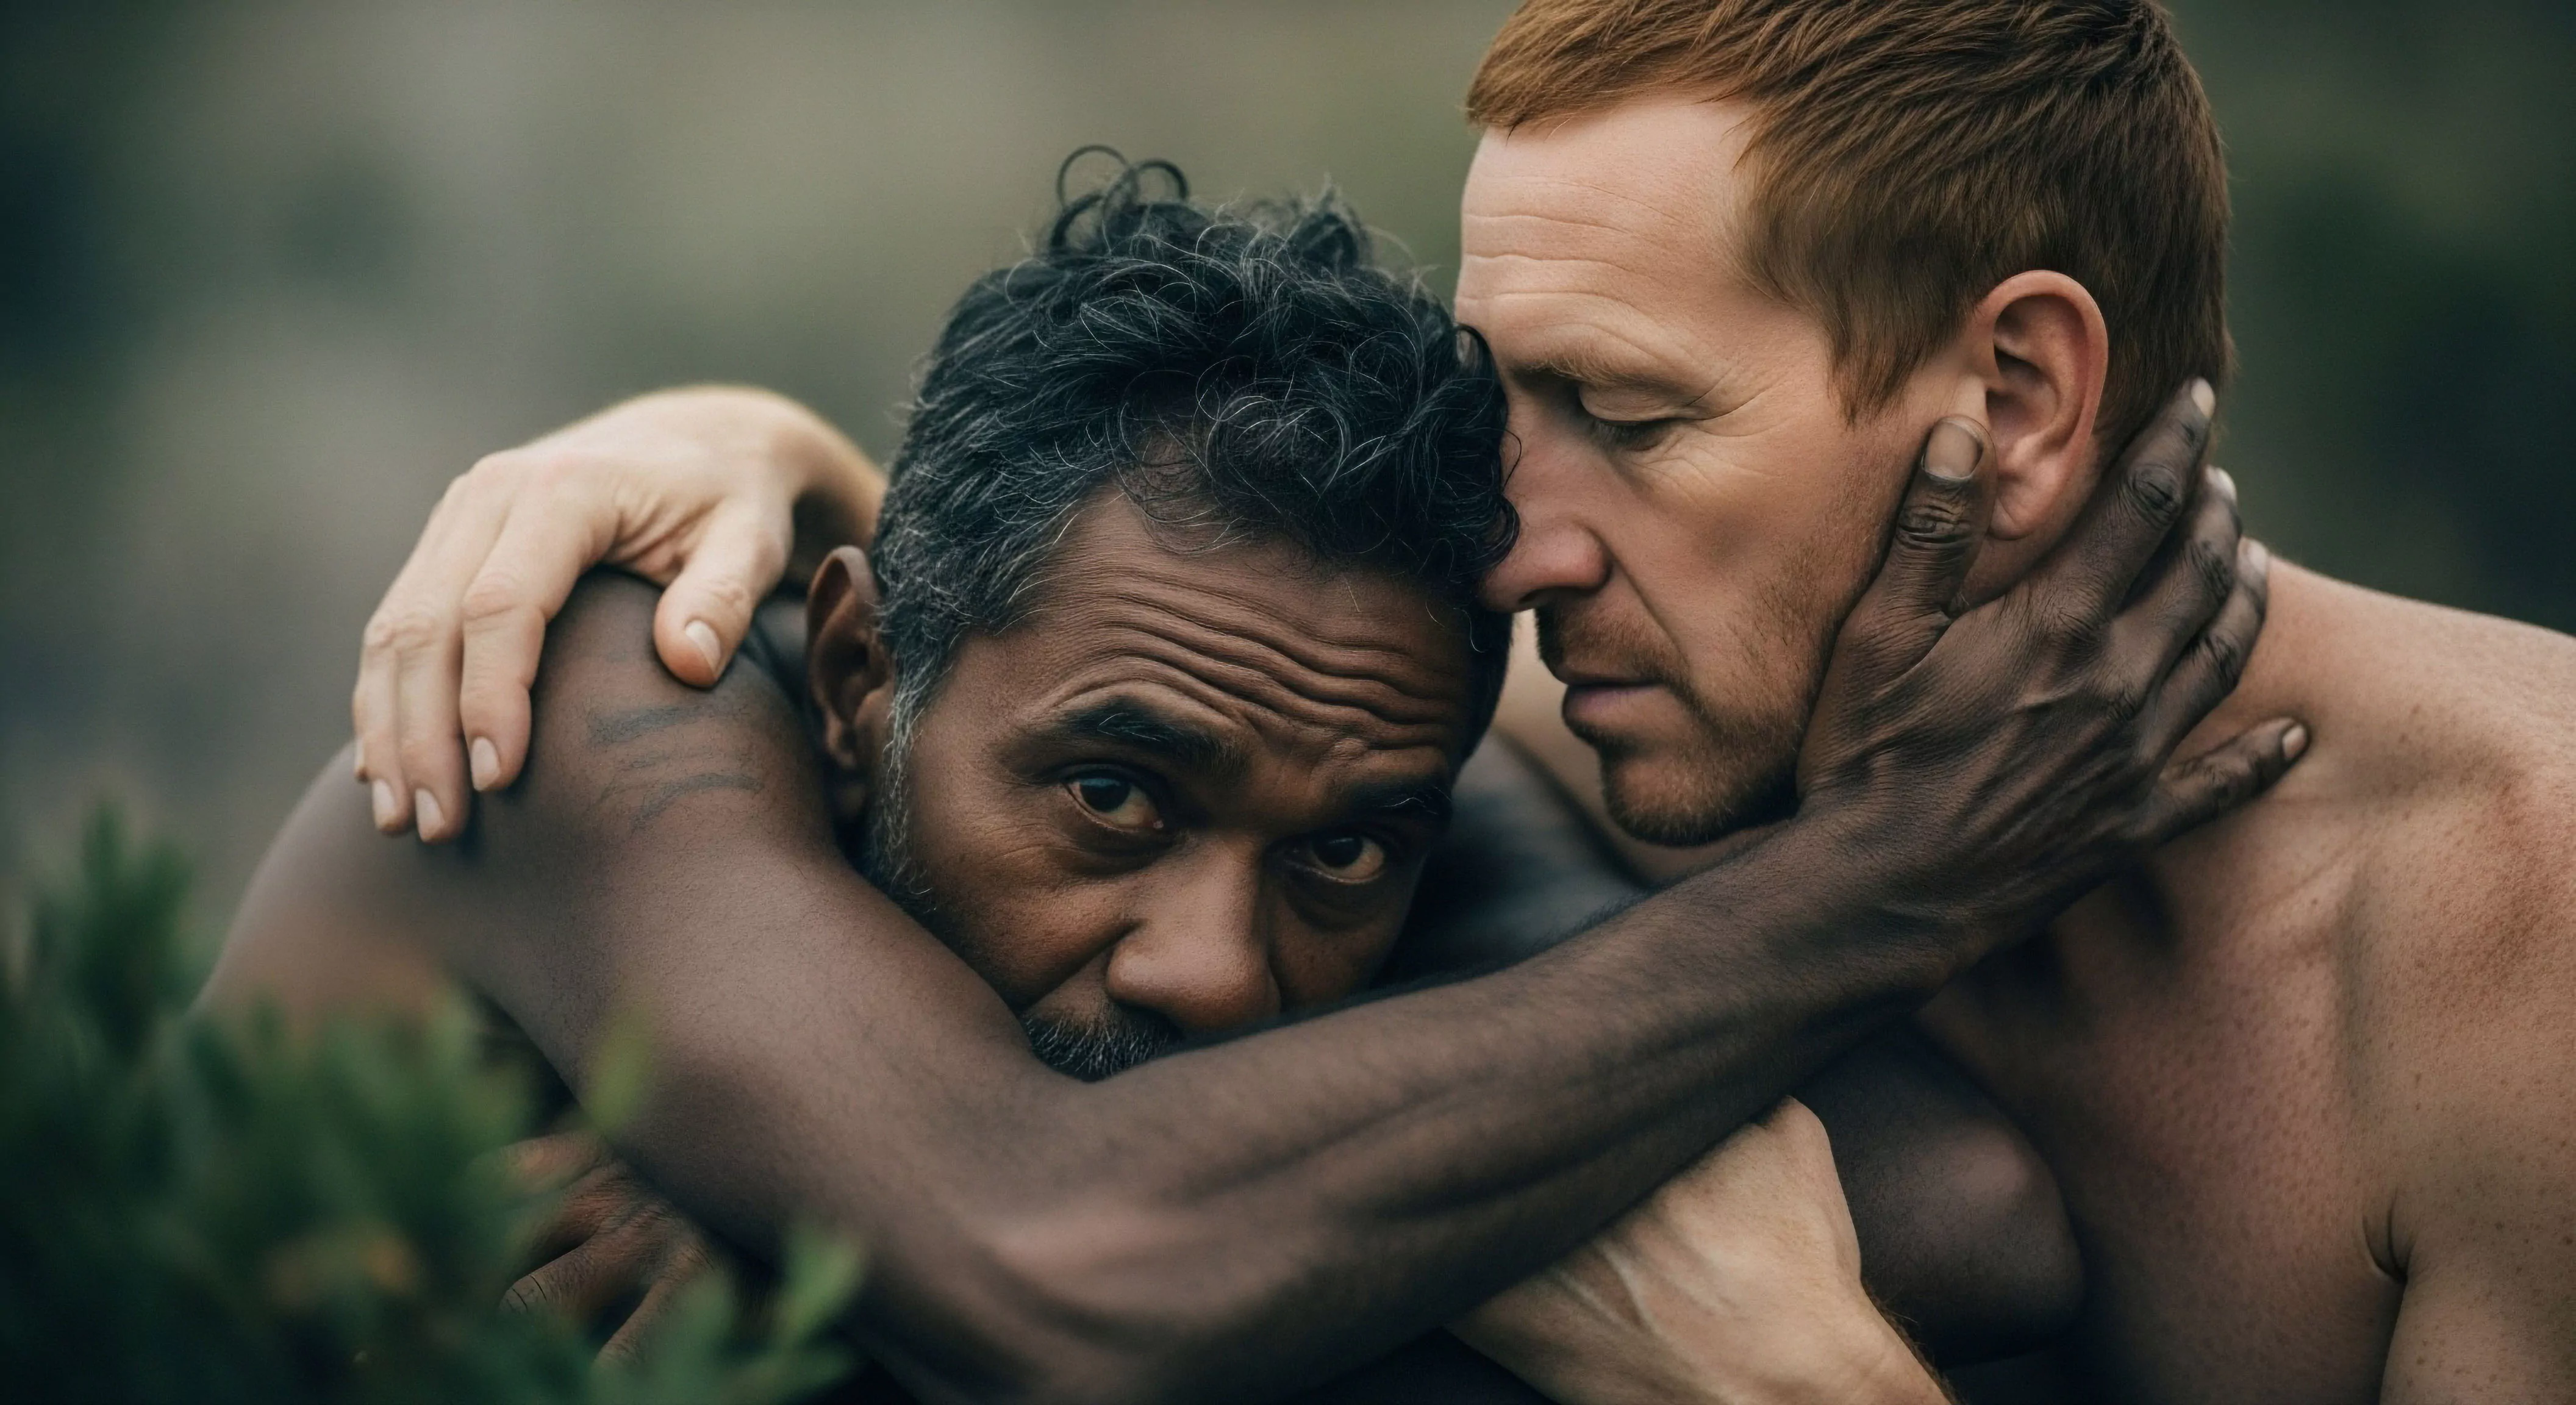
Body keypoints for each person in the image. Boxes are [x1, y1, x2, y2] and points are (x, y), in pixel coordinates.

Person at [351, 1, 2576, 1398]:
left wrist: (1789, 1384)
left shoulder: (2522, 927)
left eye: (1626, 411)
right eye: (1510, 405)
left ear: (2007, 398)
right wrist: (759, 443)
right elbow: (1064, 650)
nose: (1508, 548)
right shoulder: (1612, 733)